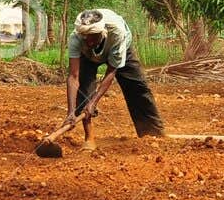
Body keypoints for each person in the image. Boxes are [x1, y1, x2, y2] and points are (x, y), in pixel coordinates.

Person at [64, 8, 166, 148]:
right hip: (87, 56)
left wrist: (94, 102)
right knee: (84, 90)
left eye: (93, 36)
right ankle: (89, 138)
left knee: (137, 87)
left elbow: (111, 72)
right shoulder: (76, 38)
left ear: (102, 32)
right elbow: (73, 77)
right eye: (85, 36)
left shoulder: (117, 33)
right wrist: (70, 112)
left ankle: (152, 132)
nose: (88, 40)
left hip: (120, 47)